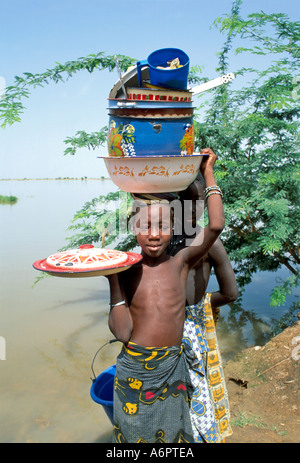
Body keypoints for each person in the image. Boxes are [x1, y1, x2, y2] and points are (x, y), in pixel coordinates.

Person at [106, 148, 224, 443]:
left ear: (174, 228)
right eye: (145, 226)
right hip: (135, 368)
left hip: (172, 368)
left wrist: (208, 171)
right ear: (134, 229)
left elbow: (216, 225)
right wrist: (112, 279)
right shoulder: (125, 269)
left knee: (175, 434)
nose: (154, 234)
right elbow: (122, 333)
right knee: (134, 434)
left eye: (162, 226)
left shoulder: (182, 263)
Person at [167, 174, 238, 442]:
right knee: (196, 388)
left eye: (194, 202)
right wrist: (201, 305)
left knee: (177, 393)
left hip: (169, 326)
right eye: (186, 201)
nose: (191, 208)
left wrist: (199, 306)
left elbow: (231, 293)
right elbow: (230, 293)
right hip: (189, 328)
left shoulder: (163, 239)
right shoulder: (203, 241)